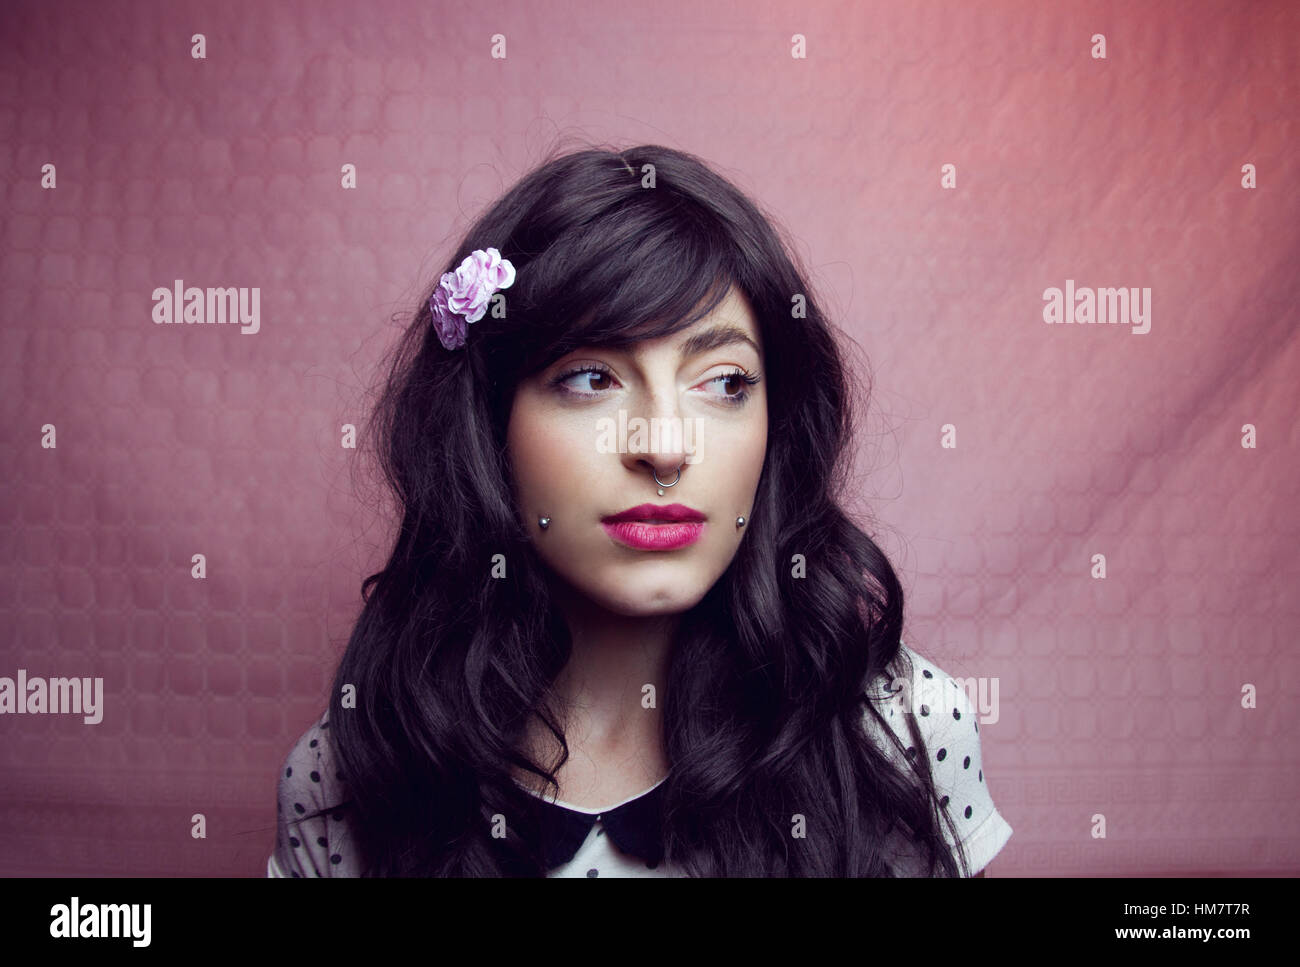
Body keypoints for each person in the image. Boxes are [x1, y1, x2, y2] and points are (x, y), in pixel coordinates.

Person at [267, 143, 1012, 877]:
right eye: (592, 378)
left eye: (722, 383)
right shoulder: (351, 771)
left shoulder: (900, 733)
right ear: (487, 427)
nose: (662, 446)